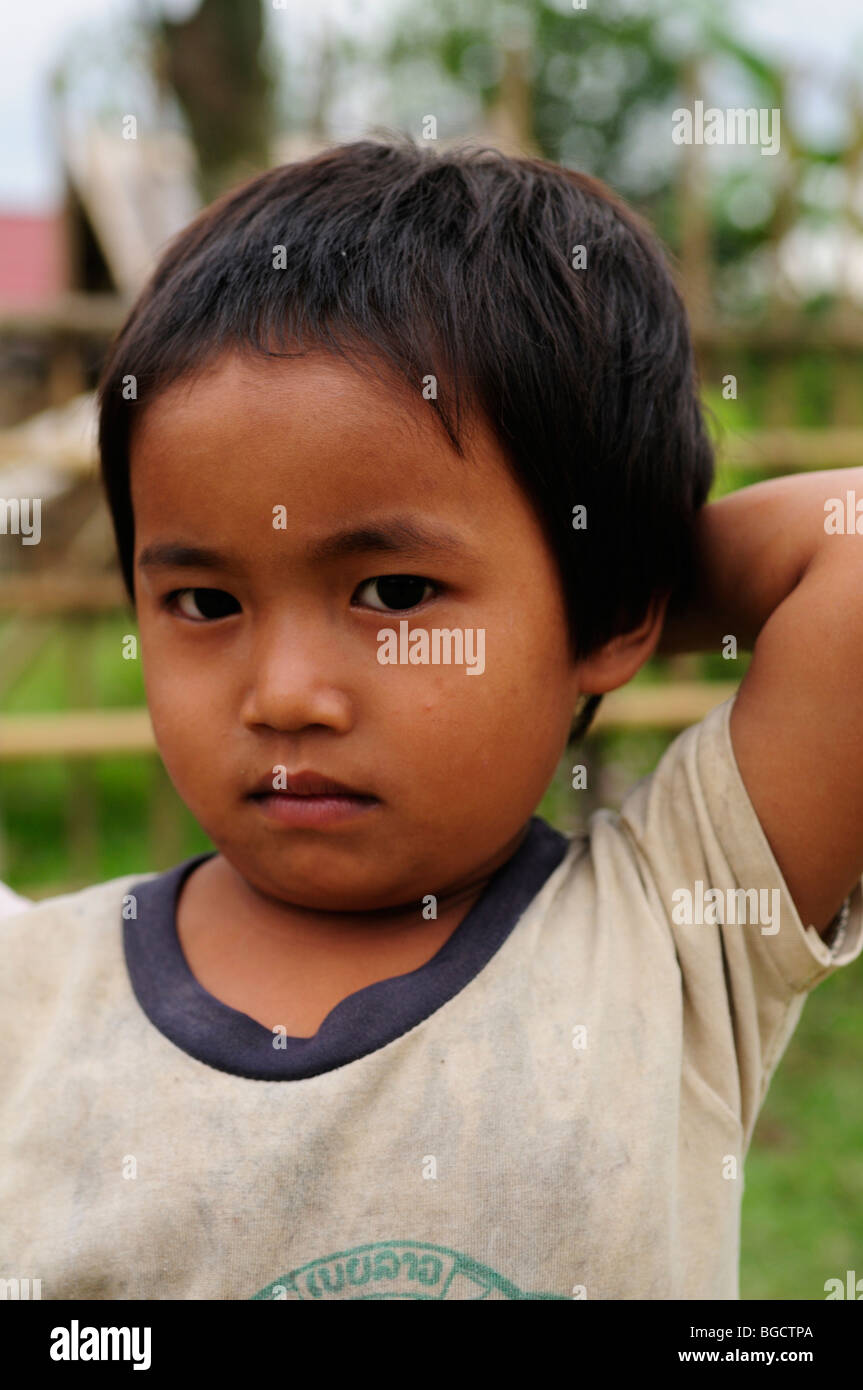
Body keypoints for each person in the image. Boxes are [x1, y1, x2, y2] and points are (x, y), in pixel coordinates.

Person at [1, 138, 860, 1302]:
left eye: (394, 593)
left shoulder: (675, 933)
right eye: (205, 602)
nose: (286, 694)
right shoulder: (31, 994)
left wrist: (596, 594)